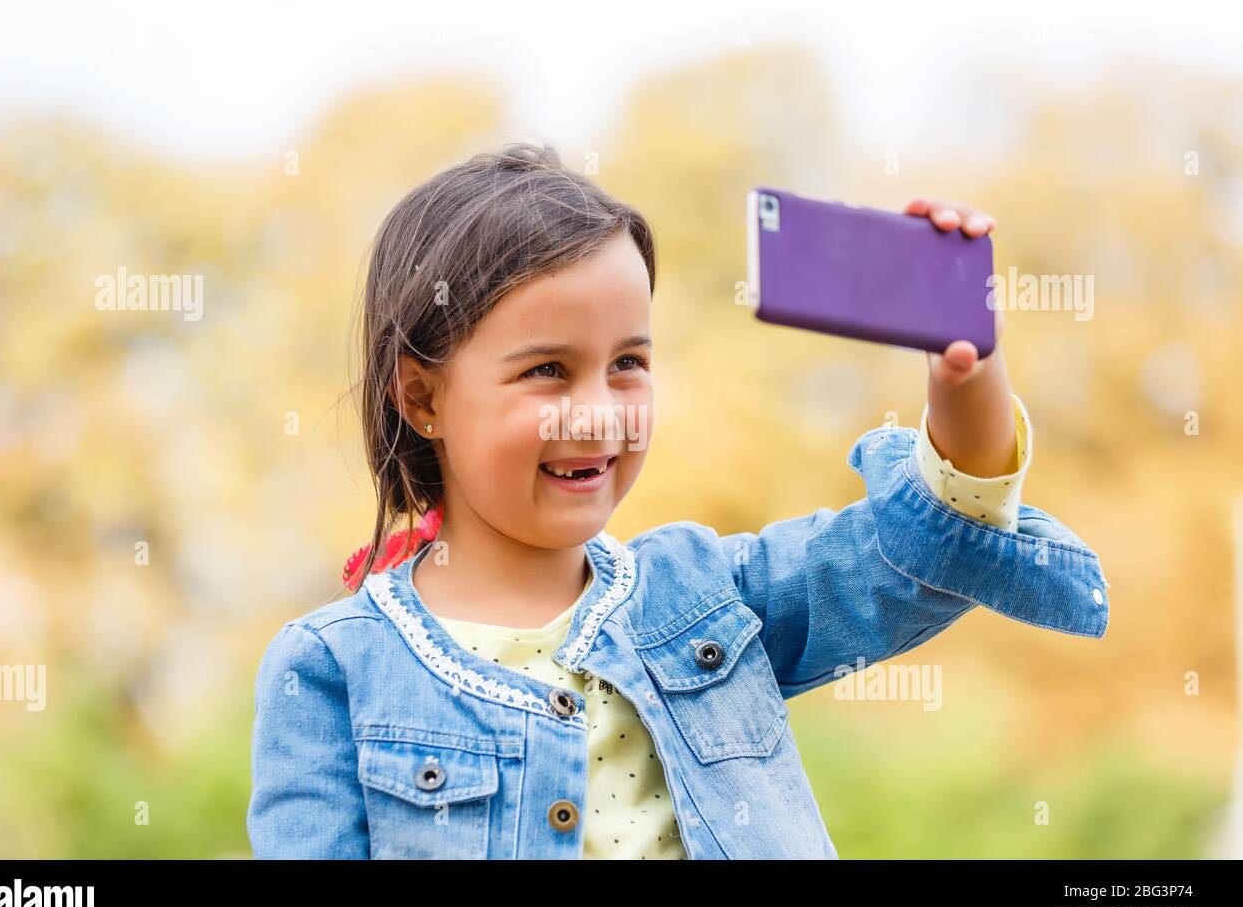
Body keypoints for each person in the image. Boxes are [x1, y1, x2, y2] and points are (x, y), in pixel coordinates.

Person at [247, 141, 1109, 859]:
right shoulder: (331, 671)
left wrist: (967, 374)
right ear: (423, 398)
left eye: (628, 362)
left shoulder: (710, 595)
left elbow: (917, 550)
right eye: (548, 370)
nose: (599, 412)